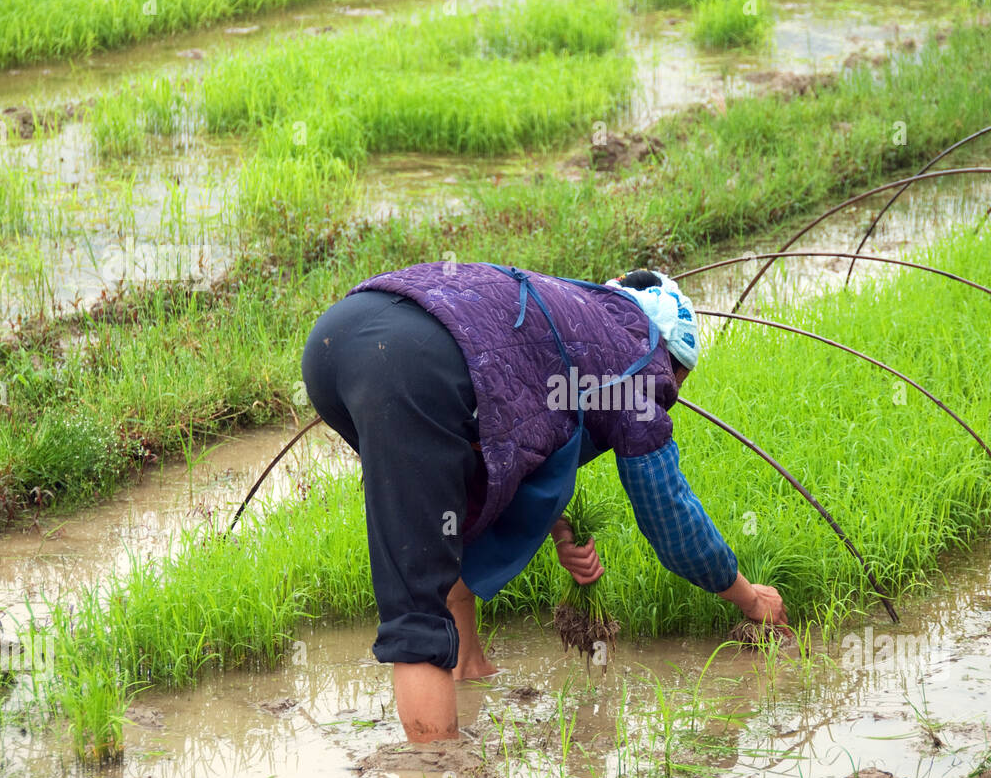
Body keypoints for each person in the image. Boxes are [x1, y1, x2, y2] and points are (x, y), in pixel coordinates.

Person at [300, 261, 788, 743]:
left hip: (336, 340)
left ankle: (469, 666)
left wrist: (559, 531)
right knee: (416, 601)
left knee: (443, 510)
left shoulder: (569, 314)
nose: (671, 394)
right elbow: (669, 516)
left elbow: (522, 447)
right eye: (678, 383)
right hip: (415, 364)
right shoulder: (641, 368)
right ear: (673, 362)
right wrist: (749, 597)